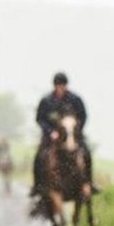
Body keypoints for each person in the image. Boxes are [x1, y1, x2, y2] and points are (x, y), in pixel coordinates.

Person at [30, 72, 97, 203]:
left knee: (86, 153)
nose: (61, 88)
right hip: (51, 137)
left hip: (72, 135)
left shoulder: (75, 99)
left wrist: (76, 131)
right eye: (59, 85)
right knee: (39, 157)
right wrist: (51, 132)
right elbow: (40, 119)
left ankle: (89, 183)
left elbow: (83, 116)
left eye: (63, 85)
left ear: (66, 86)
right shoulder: (46, 101)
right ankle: (37, 186)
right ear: (54, 86)